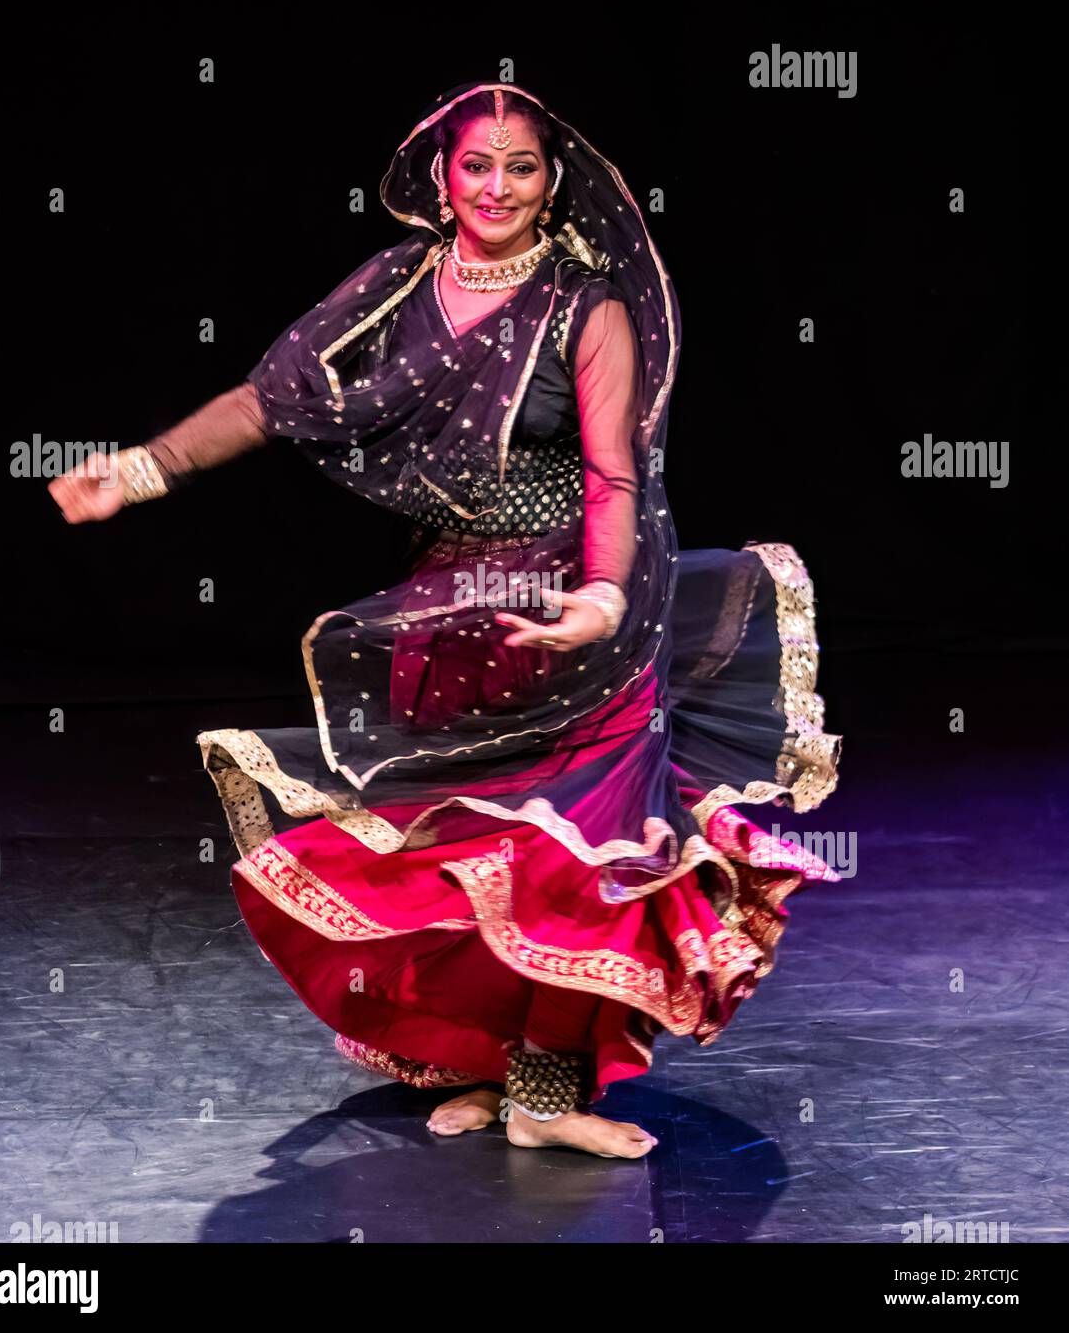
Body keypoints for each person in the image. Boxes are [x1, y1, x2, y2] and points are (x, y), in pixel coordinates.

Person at [49, 81, 843, 1161]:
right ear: (442, 176)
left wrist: (606, 597)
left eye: (522, 166)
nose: (498, 186)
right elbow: (270, 398)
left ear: (552, 181)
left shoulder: (584, 305)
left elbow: (615, 474)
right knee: (470, 839)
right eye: (478, 165)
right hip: (456, 603)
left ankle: (548, 1093)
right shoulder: (394, 284)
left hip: (582, 603)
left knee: (579, 846)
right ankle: (490, 1060)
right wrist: (140, 471)